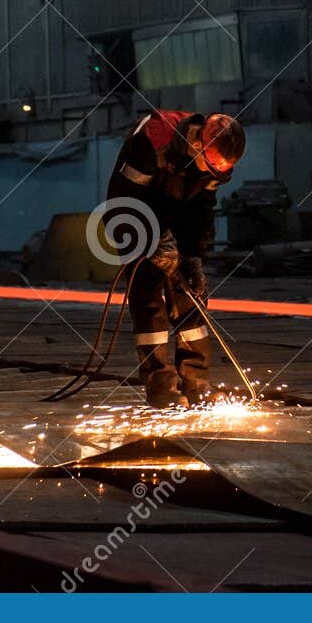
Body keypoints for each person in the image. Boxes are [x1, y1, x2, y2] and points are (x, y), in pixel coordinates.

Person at [103, 110, 245, 408]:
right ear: (197, 146)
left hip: (175, 221)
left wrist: (194, 256)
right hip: (135, 221)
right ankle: (160, 386)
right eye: (213, 168)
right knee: (149, 298)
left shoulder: (211, 166)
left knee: (191, 298)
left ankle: (196, 383)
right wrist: (151, 242)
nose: (214, 175)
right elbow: (122, 202)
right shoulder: (152, 142)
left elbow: (202, 209)